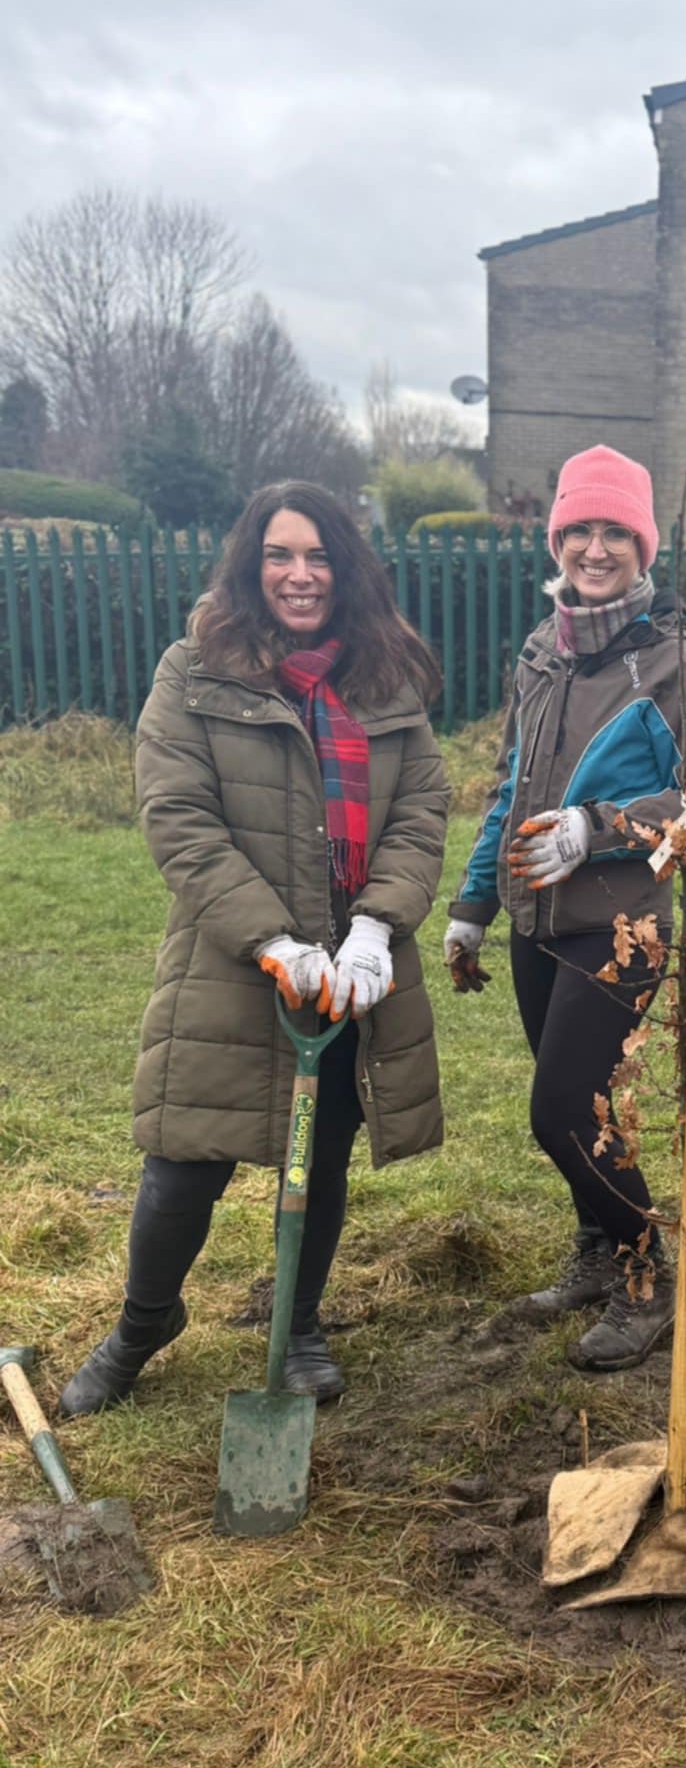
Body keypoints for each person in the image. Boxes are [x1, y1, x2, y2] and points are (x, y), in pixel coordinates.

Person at [58, 480, 449, 1417]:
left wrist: (375, 927)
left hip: (351, 972)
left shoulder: (385, 678)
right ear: (250, 564)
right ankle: (143, 1323)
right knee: (185, 1160)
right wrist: (270, 937)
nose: (299, 574)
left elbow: (421, 809)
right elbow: (180, 819)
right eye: (280, 555)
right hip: (232, 962)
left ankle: (299, 1322)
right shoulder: (196, 671)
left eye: (318, 556)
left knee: (322, 1153)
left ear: (346, 567)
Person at [443, 445, 686, 1370]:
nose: (595, 549)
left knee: (563, 1110)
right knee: (587, 1111)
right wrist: (474, 902)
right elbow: (509, 783)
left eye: (616, 532)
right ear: (556, 539)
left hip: (621, 924)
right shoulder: (542, 653)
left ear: (644, 548)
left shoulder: (678, 663)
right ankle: (598, 1250)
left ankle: (648, 1276)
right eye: (579, 530)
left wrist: (594, 828)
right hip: (535, 919)